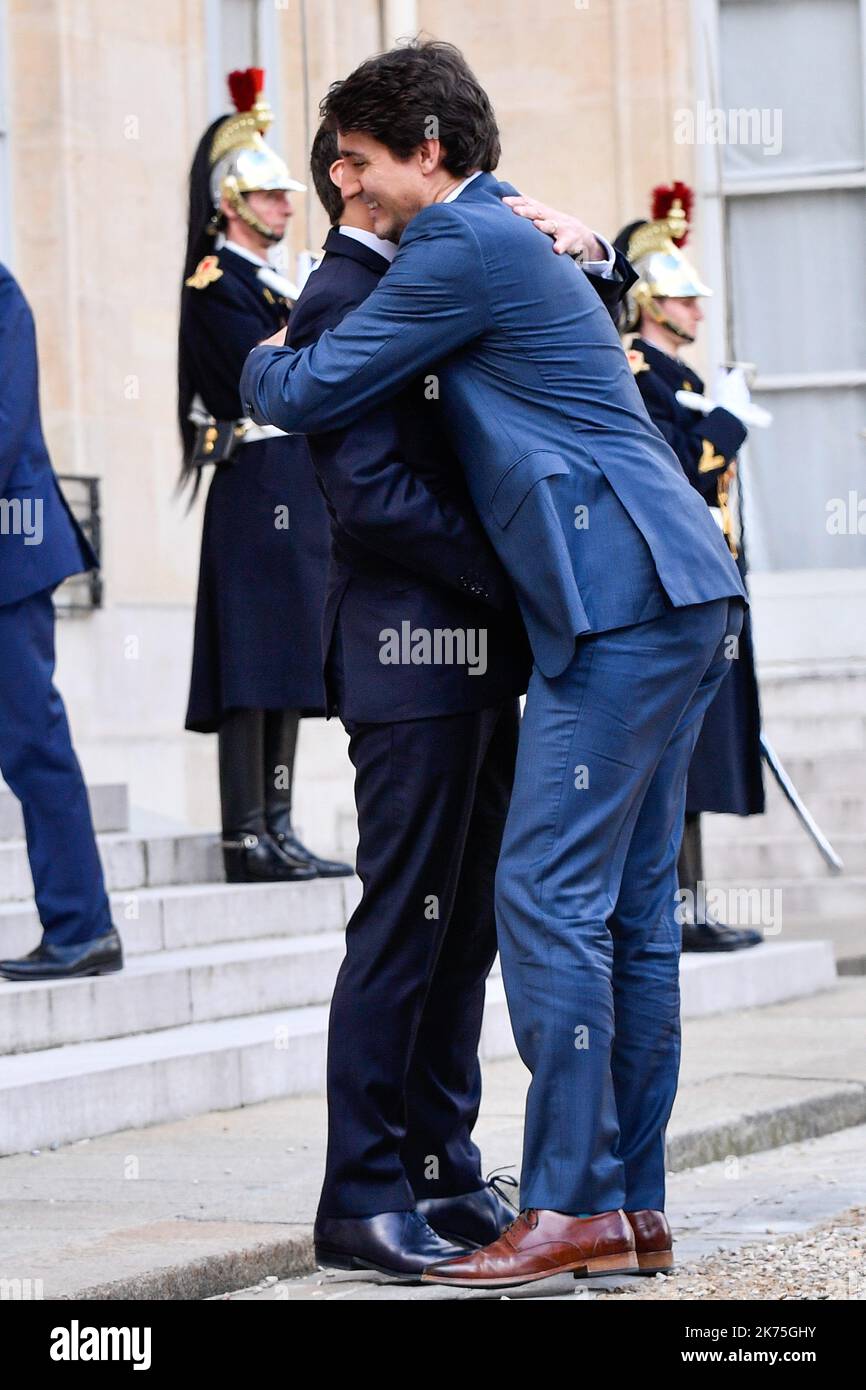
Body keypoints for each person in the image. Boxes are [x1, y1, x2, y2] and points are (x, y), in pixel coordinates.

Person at [240, 39, 748, 1289]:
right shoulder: (504, 229)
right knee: (626, 912)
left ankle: (570, 1204)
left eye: (356, 160)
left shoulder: (457, 245)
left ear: (426, 150)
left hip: (614, 599)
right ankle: (625, 1208)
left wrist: (252, 354)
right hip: (672, 588)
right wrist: (594, 251)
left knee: (541, 896)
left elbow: (301, 389)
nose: (339, 185)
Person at [293, 124, 631, 1280]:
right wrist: (507, 569)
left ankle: (439, 1165)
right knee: (402, 926)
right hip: (407, 657)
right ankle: (359, 1195)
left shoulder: (423, 276)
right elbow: (372, 493)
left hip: (475, 657)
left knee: (464, 927)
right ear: (351, 175)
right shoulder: (339, 296)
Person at [179, 67, 351, 883]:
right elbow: (260, 375)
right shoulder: (217, 282)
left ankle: (278, 824)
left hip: (295, 481)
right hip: (254, 479)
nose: (286, 206)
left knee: (287, 657)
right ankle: (244, 833)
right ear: (232, 203)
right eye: (270, 196)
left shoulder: (277, 284)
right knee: (252, 660)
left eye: (285, 195)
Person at [614, 183, 765, 953]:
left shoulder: (684, 380)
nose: (697, 311)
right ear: (648, 301)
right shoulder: (639, 374)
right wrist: (729, 424)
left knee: (699, 757)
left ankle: (691, 903)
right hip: (676, 587)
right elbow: (679, 474)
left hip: (713, 581)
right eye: (682, 299)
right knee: (677, 755)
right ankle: (670, 908)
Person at [0, 262, 122, 982]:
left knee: (31, 744)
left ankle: (83, 928)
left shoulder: (1, 293)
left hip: (8, 557)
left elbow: (5, 426)